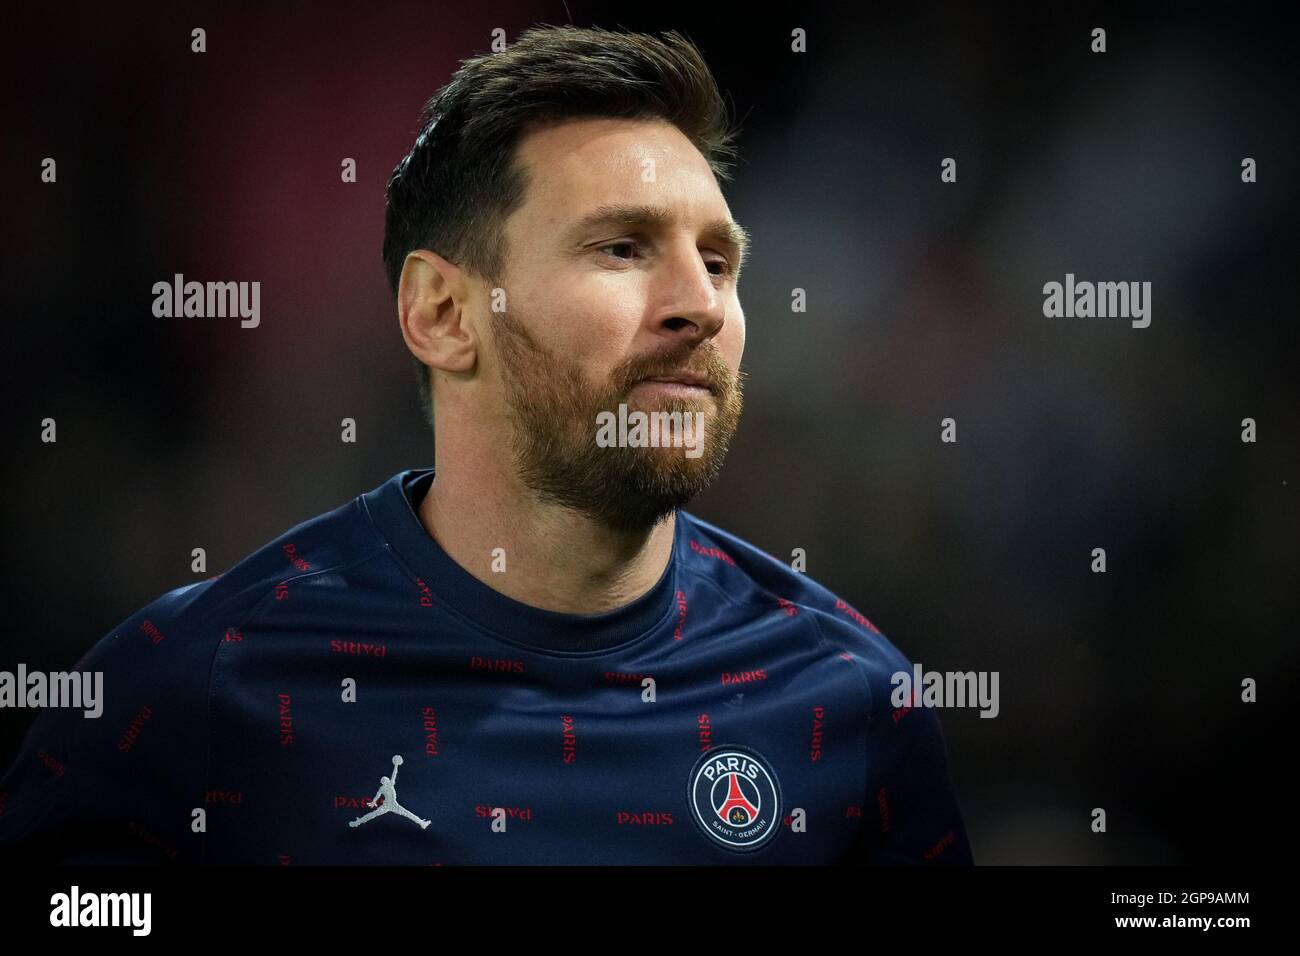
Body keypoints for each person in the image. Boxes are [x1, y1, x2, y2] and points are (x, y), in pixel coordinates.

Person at [0, 24, 973, 865]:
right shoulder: (194, 685)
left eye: (719, 261)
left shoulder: (848, 701)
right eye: (622, 248)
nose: (700, 306)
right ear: (442, 312)